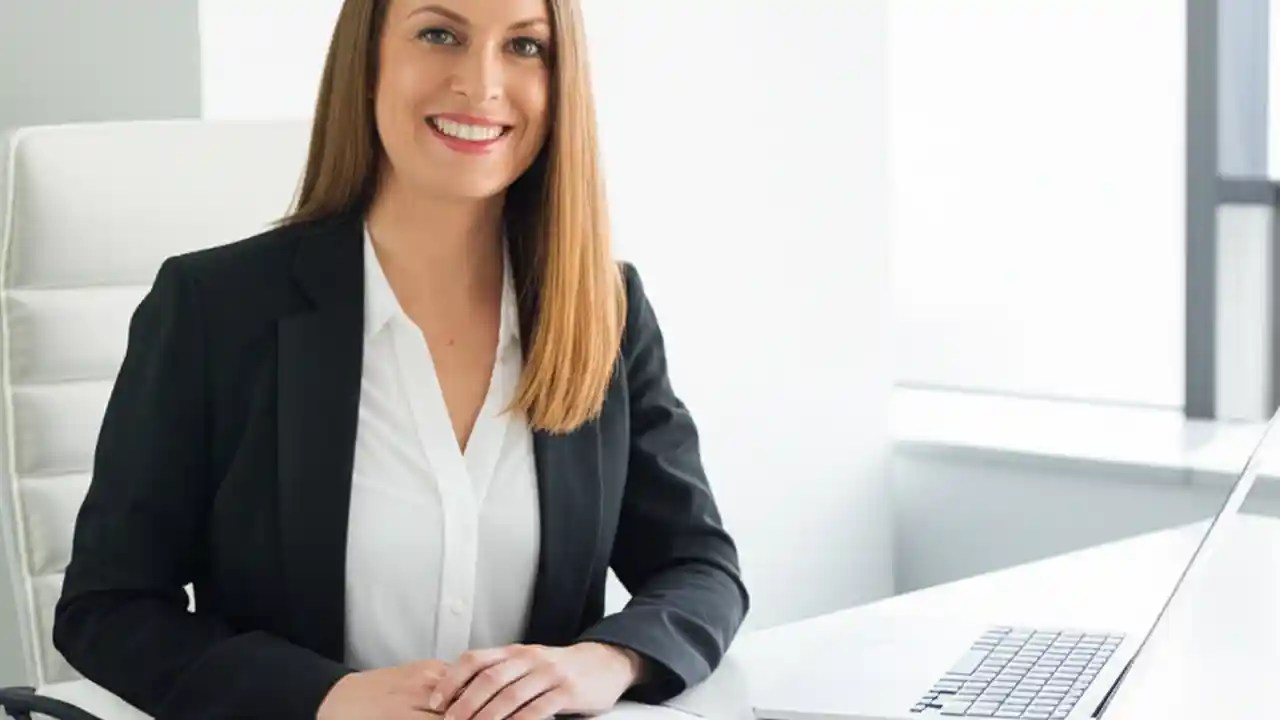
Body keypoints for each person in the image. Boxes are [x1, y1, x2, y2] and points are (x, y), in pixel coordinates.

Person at [50, 0, 748, 718]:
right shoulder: (216, 310)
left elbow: (699, 569)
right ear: (368, 61)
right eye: (439, 34)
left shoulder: (604, 310)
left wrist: (608, 661)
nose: (481, 85)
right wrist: (323, 697)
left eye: (525, 47)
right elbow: (108, 609)